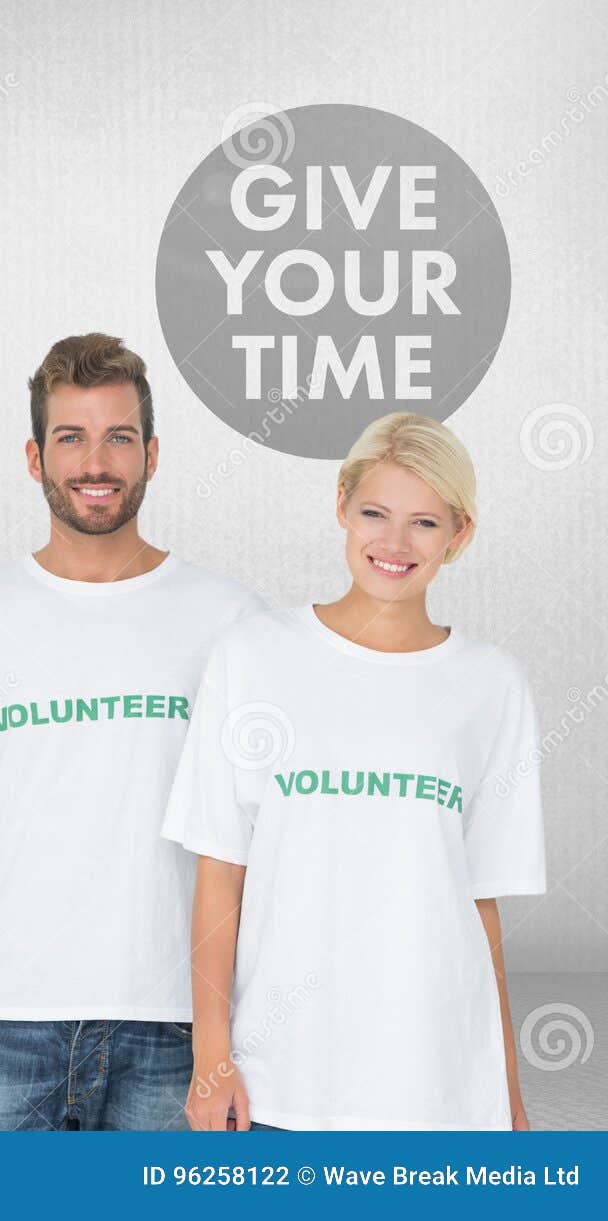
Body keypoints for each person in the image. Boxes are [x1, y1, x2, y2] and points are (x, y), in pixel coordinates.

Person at [0, 334, 264, 1131]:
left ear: (153, 453)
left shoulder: (232, 624)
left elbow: (253, 852)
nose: (95, 462)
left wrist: (232, 1041)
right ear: (34, 457)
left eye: (118, 437)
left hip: (177, 1028)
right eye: (71, 437)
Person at [164, 411, 545, 1132]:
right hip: (282, 1084)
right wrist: (211, 1056)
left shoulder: (493, 683)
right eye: (375, 512)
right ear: (341, 505)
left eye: (425, 523)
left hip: (441, 1091)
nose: (395, 543)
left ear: (459, 534)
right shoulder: (253, 655)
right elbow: (220, 871)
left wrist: (509, 1096)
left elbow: (480, 905)